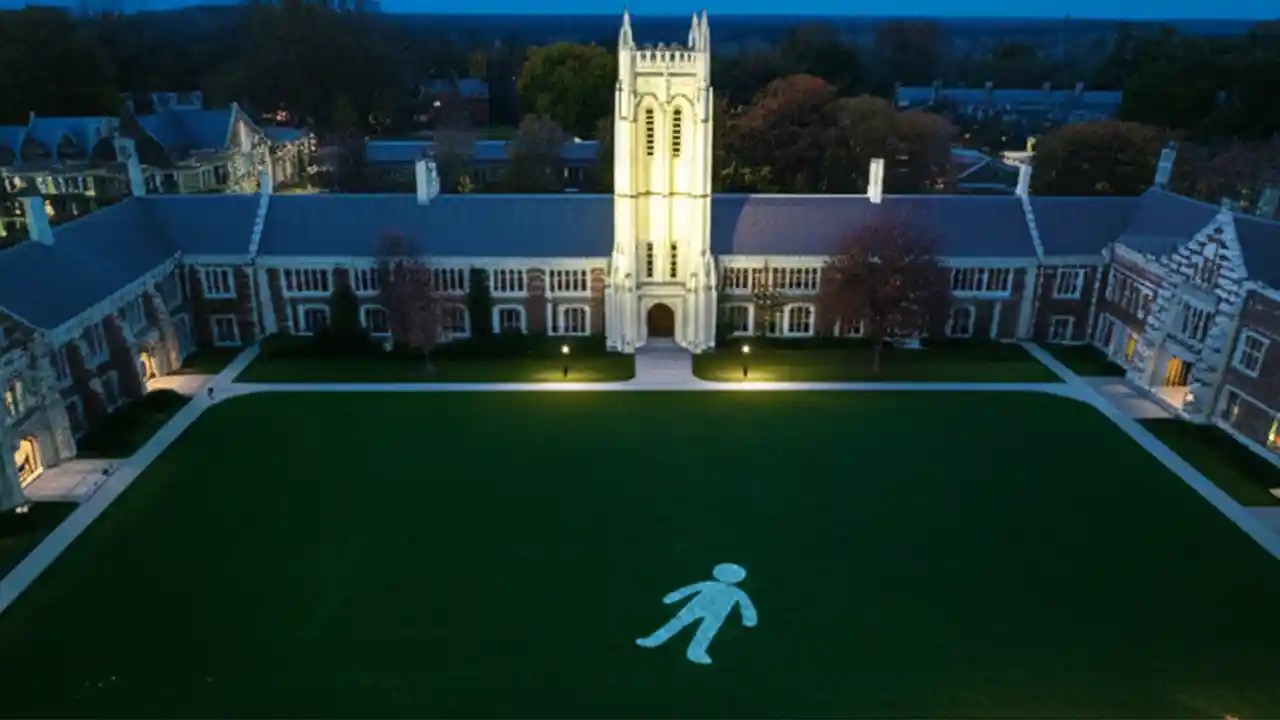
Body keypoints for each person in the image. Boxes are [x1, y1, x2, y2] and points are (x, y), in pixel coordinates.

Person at [635, 562, 757, 665]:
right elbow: (688, 590)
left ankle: (695, 652)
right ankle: (655, 641)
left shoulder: (734, 592)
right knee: (690, 628)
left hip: (712, 613)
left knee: (702, 631)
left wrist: (671, 598)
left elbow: (746, 606)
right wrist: (749, 620)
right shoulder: (721, 588)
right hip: (698, 608)